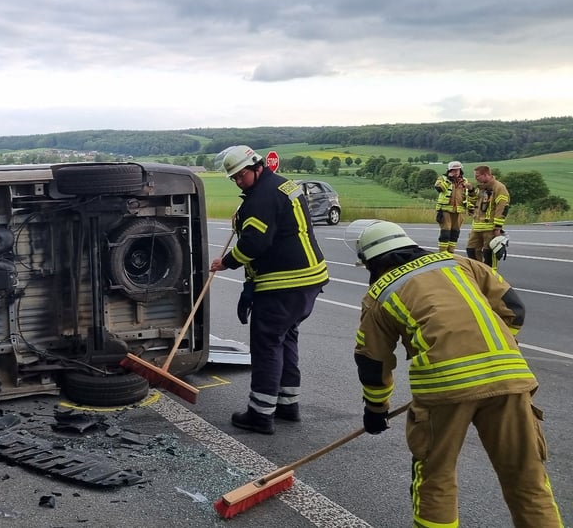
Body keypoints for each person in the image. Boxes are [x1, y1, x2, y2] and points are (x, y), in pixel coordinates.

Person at [350, 219, 563, 528]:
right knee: (527, 480)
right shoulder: (460, 263)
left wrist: (375, 409)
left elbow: (373, 362)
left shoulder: (380, 294)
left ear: (371, 261)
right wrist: (504, 344)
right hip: (509, 377)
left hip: (444, 388)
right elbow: (513, 309)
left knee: (436, 477)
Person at [209, 145, 328, 434]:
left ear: (257, 167)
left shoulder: (260, 199)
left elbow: (254, 244)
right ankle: (288, 405)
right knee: (286, 339)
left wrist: (226, 262)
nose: (238, 181)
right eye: (234, 178)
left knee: (266, 344)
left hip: (283, 283)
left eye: (241, 176)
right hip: (309, 280)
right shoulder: (282, 185)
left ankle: (260, 414)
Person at [467, 165, 510, 269]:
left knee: (488, 254)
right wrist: (471, 191)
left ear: (486, 174)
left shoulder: (499, 187)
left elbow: (502, 207)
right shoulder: (481, 187)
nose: (476, 179)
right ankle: (479, 273)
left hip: (490, 227)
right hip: (477, 226)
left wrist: (498, 227)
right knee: (471, 250)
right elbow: (475, 201)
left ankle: (492, 277)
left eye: (477, 176)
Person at [433, 160, 474, 253]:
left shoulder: (465, 181)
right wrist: (449, 180)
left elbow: (467, 196)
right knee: (445, 232)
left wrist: (470, 207)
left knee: (455, 233)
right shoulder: (442, 178)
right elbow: (439, 189)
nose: (456, 172)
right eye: (453, 170)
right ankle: (442, 253)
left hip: (459, 210)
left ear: (460, 170)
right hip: (445, 210)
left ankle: (451, 252)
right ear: (449, 171)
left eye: (457, 170)